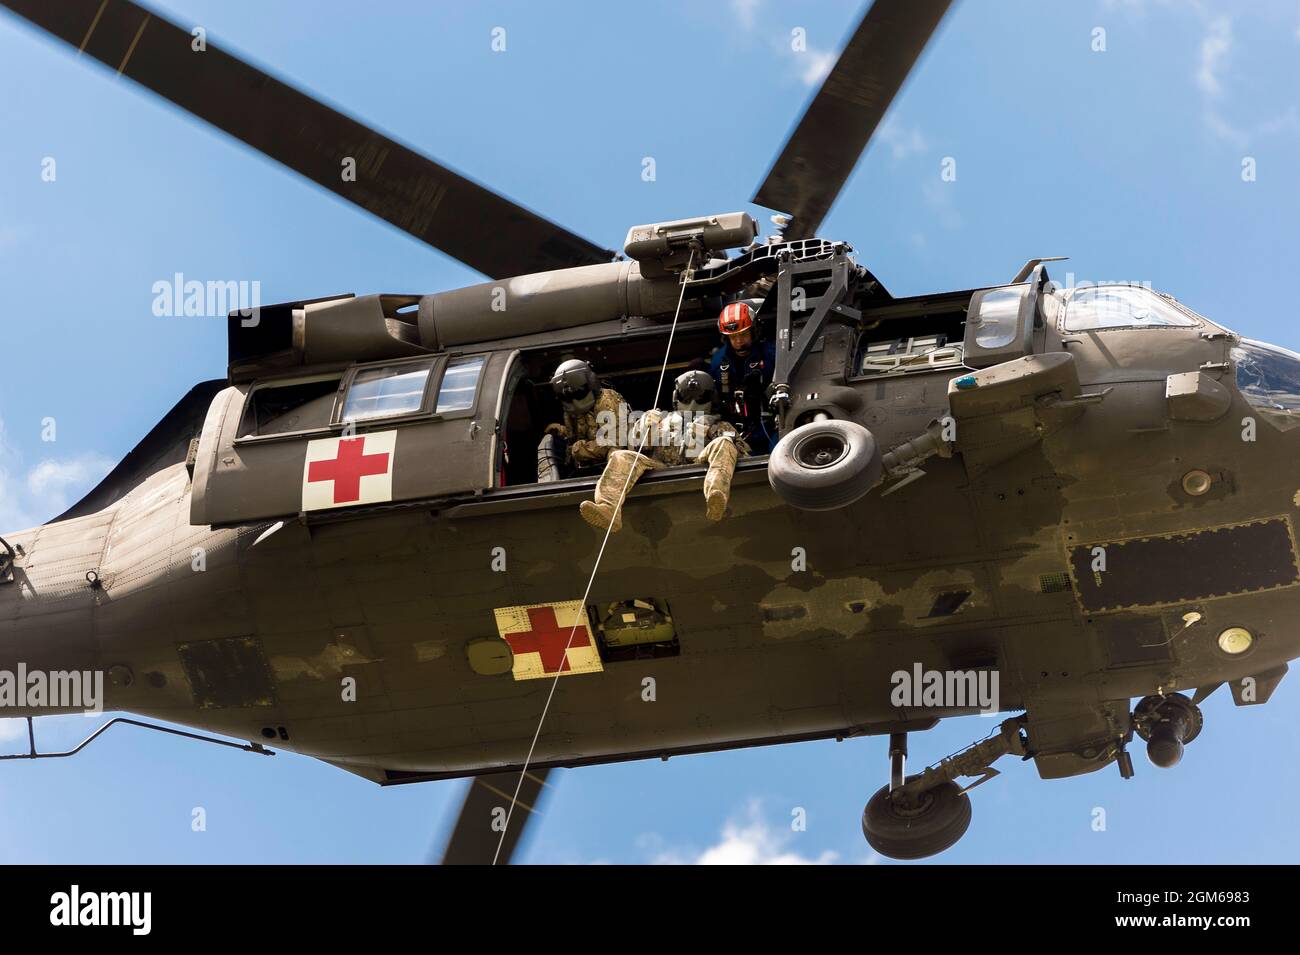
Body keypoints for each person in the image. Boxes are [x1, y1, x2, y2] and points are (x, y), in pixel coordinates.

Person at [579, 370, 748, 533]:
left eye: (700, 397)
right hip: (661, 469)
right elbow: (633, 446)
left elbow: (741, 453)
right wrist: (643, 427)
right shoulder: (660, 420)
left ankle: (716, 495)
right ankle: (608, 508)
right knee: (620, 456)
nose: (692, 403)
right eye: (687, 397)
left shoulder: (720, 426)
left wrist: (709, 435)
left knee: (724, 443)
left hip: (699, 466)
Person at [709, 301, 777, 453]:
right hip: (737, 432)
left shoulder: (772, 354)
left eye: (743, 335)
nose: (739, 342)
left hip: (771, 427)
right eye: (733, 337)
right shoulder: (718, 362)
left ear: (754, 332)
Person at [540, 359, 626, 477]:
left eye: (577, 393)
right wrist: (561, 431)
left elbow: (614, 441)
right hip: (586, 467)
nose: (573, 401)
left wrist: (579, 451)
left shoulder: (606, 401)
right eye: (567, 397)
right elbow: (581, 434)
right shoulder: (572, 409)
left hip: (609, 469)